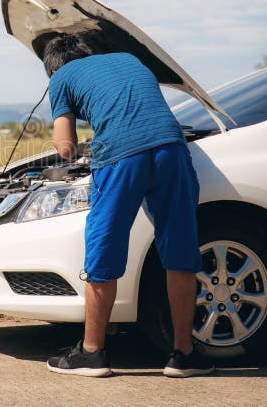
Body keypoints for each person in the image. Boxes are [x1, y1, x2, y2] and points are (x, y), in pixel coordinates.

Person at [43, 33, 214, 378]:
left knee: (104, 248)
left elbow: (64, 145)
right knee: (180, 250)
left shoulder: (61, 78)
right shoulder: (128, 60)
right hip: (172, 148)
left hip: (122, 158)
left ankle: (91, 353)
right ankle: (184, 354)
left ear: (52, 68)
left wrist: (71, 145)